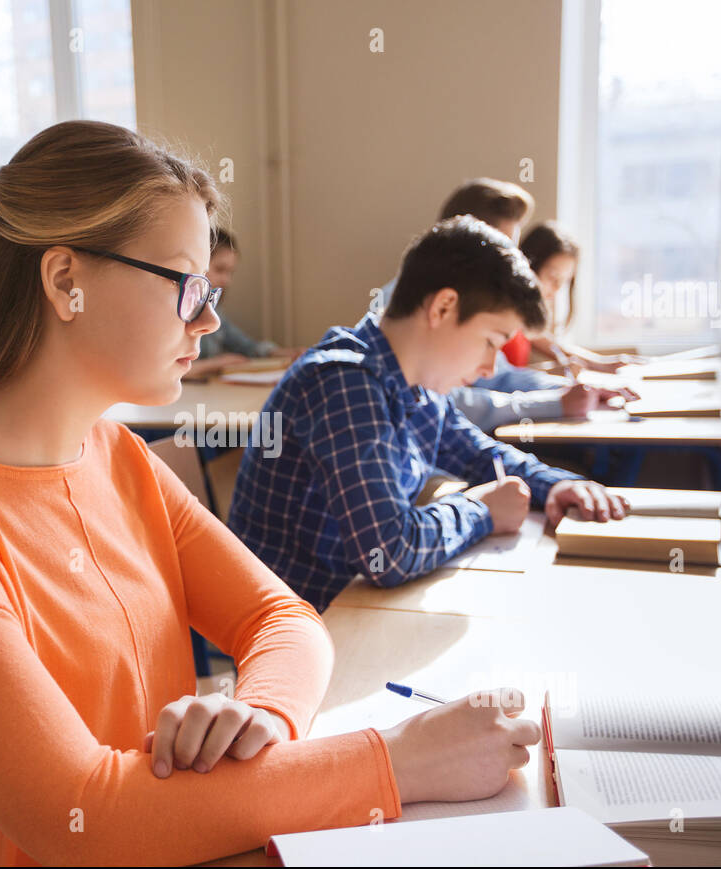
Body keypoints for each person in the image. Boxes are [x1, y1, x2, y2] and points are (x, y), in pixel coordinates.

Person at [0, 120, 541, 866]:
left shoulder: (115, 454)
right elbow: (82, 816)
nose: (208, 319)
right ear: (65, 281)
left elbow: (282, 618)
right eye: (186, 285)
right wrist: (400, 762)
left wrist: (254, 718)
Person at [230, 215, 631, 613]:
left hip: (355, 608)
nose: (491, 369)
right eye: (490, 342)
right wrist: (482, 510)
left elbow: (477, 454)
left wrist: (557, 486)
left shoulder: (416, 384)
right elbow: (388, 553)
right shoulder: (345, 383)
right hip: (297, 625)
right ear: (443, 307)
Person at [377, 180, 633, 430]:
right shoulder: (406, 307)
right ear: (460, 240)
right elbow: (450, 404)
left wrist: (569, 391)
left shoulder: (477, 307)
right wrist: (552, 404)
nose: (507, 263)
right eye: (500, 249)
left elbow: (500, 376)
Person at [515, 222, 639, 373]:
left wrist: (604, 364)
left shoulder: (526, 319)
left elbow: (554, 346)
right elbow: (497, 378)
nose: (557, 289)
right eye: (553, 277)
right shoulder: (503, 311)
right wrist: (552, 372)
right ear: (528, 266)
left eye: (564, 282)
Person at [184, 227, 300, 378]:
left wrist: (281, 353)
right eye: (220, 269)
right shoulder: (178, 311)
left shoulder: (215, 311)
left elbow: (245, 345)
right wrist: (215, 364)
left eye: (230, 272)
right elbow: (167, 371)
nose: (227, 280)